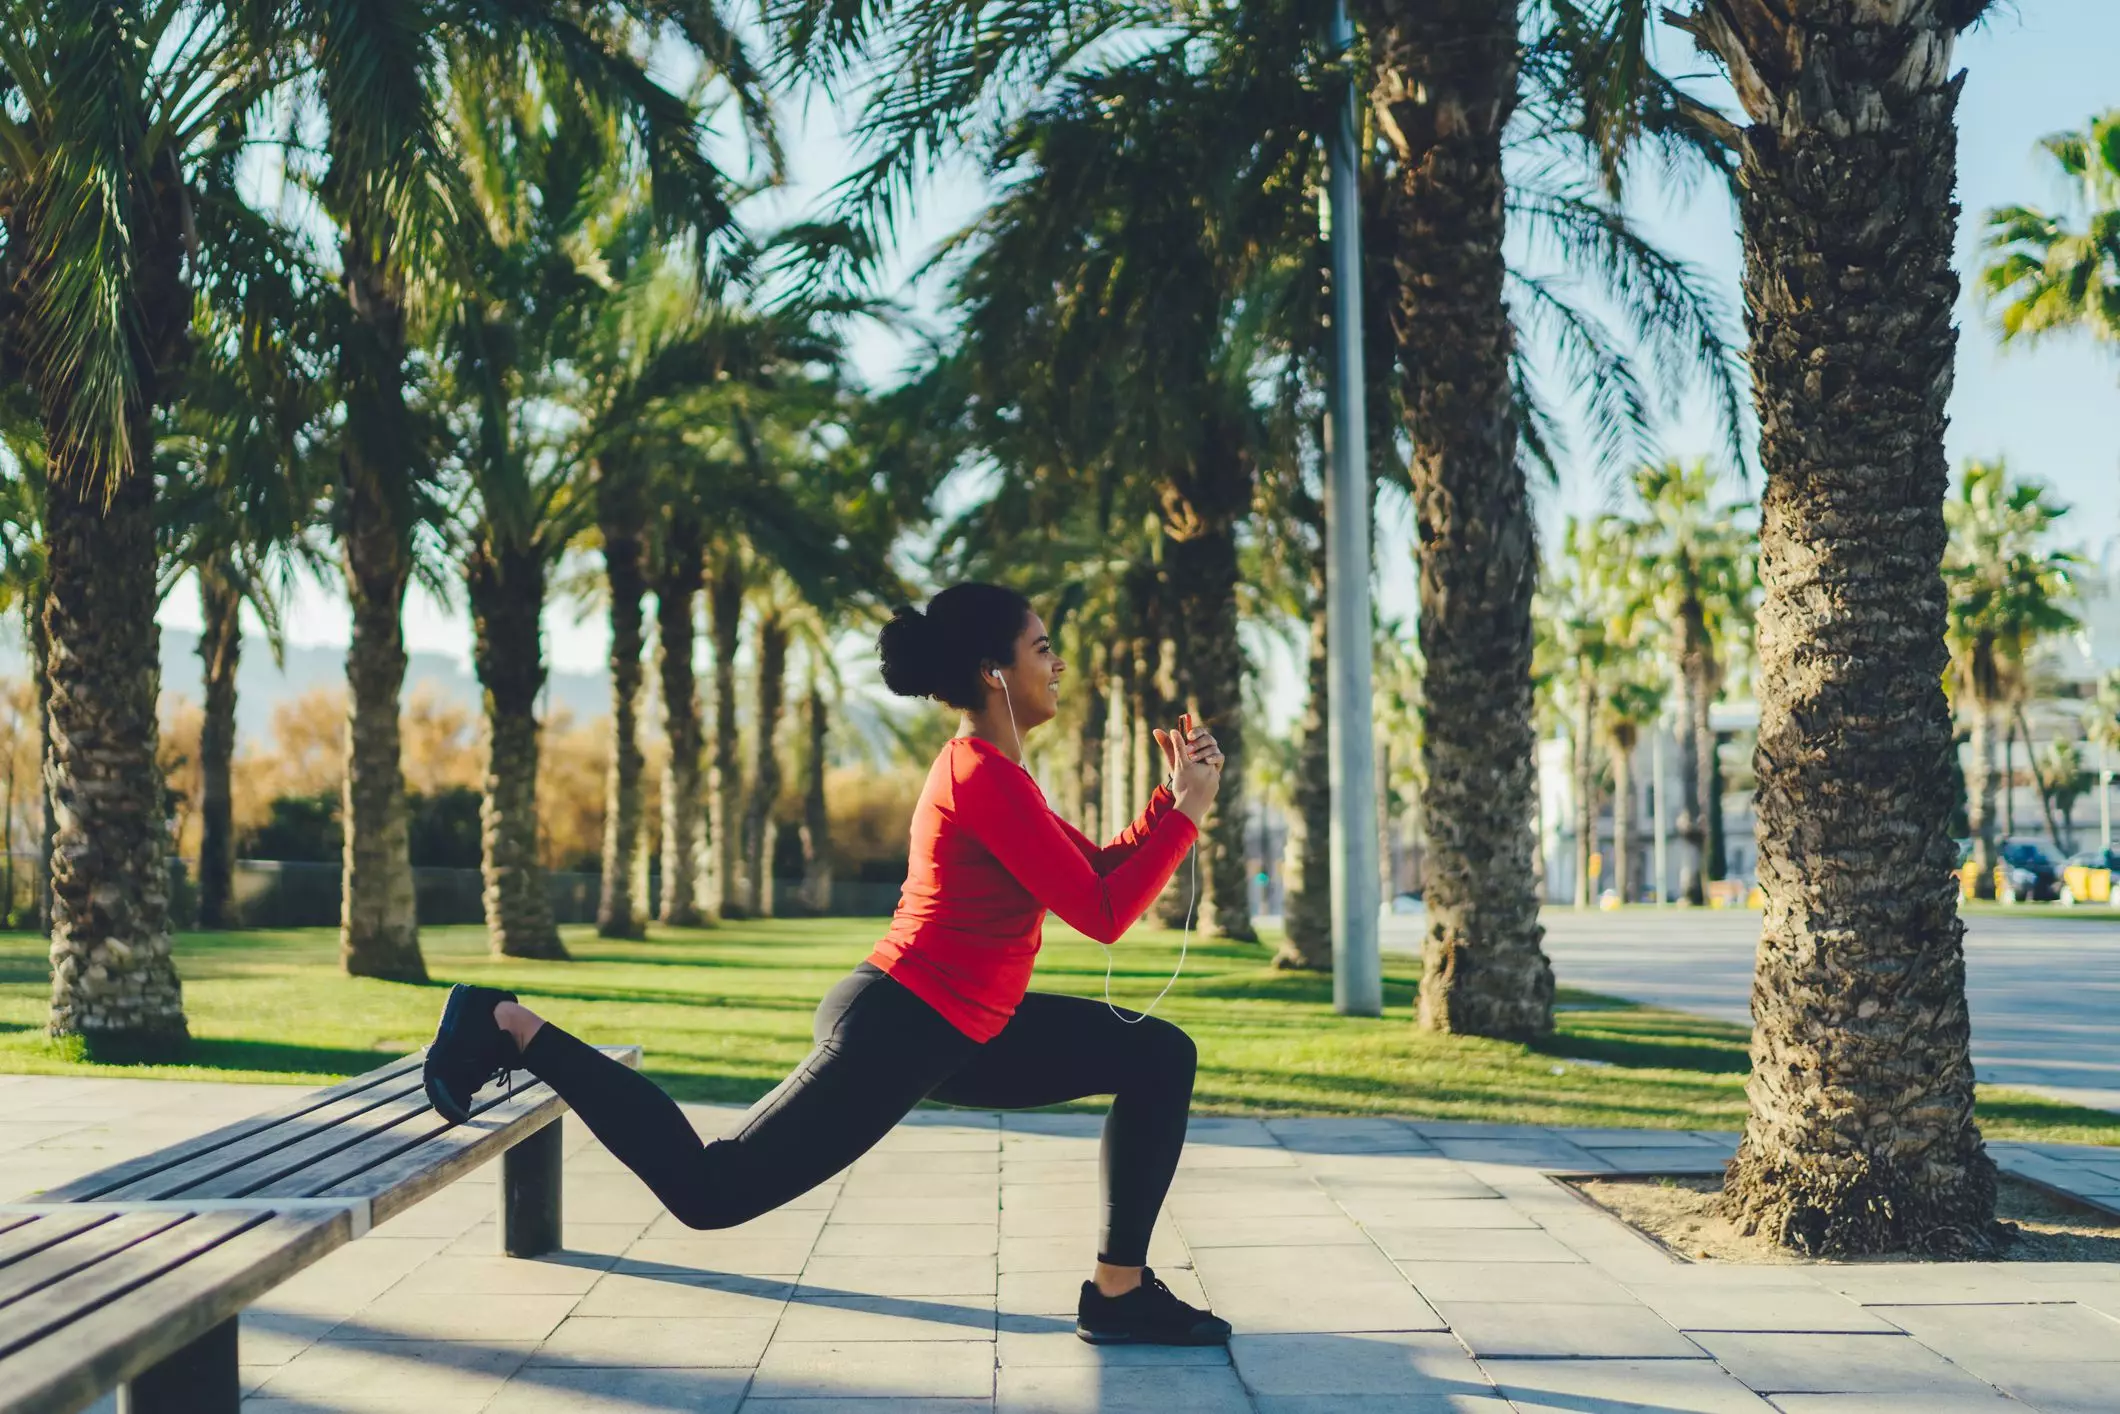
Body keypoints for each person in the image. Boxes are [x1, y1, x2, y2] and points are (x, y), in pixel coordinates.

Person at [421, 581, 1231, 1346]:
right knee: (712, 1192)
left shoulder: (1003, 775)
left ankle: (1118, 1294)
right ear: (995, 672)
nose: (1058, 663)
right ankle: (508, 1023)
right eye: (1043, 647)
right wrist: (1188, 815)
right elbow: (1104, 915)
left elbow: (1095, 875)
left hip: (967, 1026)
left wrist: (1171, 798)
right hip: (903, 1024)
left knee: (1158, 1055)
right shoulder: (980, 775)